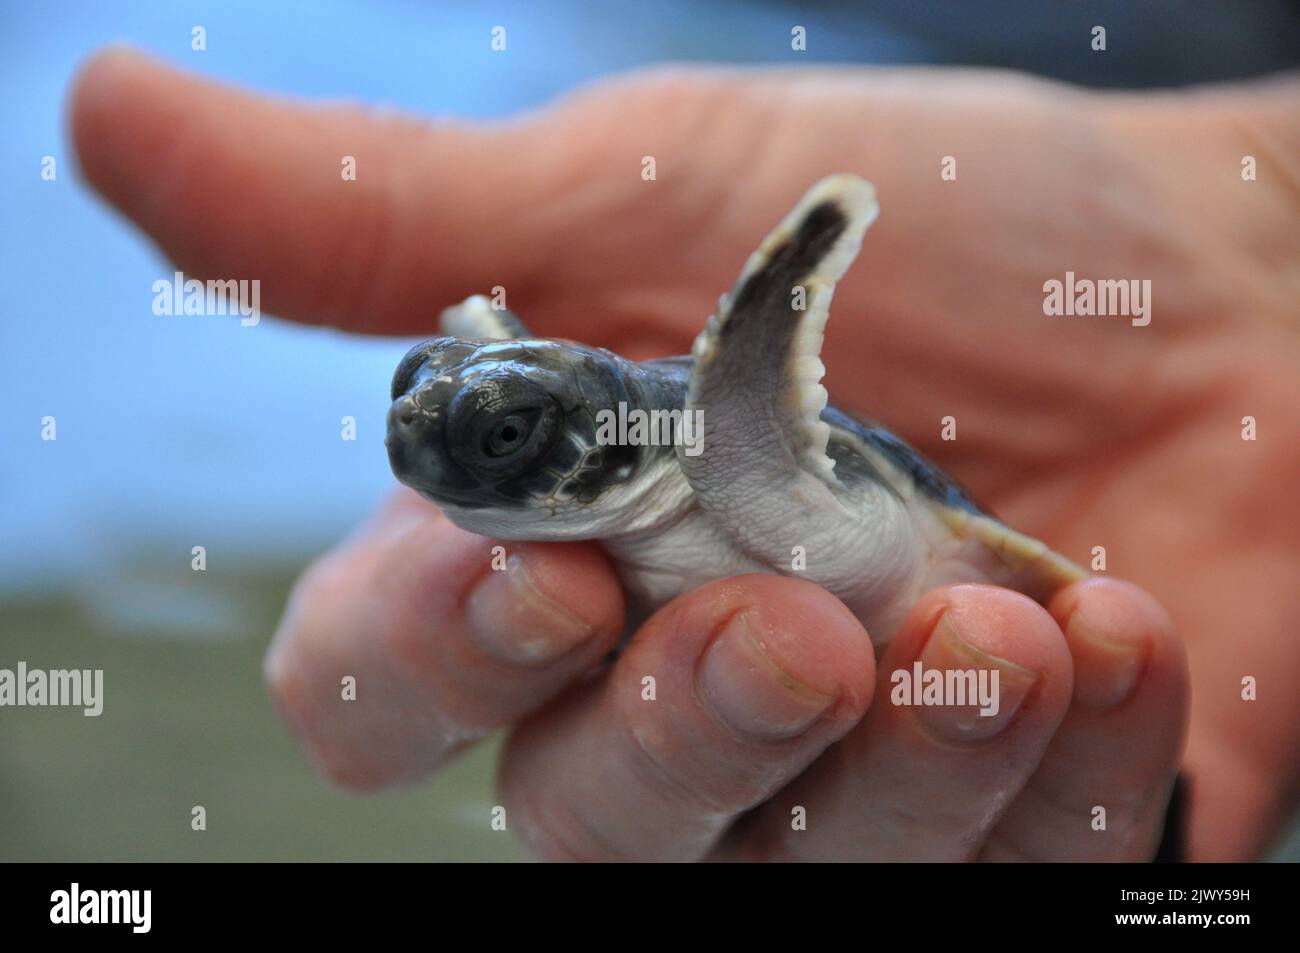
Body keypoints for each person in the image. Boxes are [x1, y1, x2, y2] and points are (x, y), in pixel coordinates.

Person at [72, 49, 1298, 861]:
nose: (440, 454)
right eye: (422, 412)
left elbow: (723, 389)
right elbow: (502, 365)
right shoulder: (595, 517)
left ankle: (1170, 841)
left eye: (502, 440)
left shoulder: (721, 444)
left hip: (944, 566)